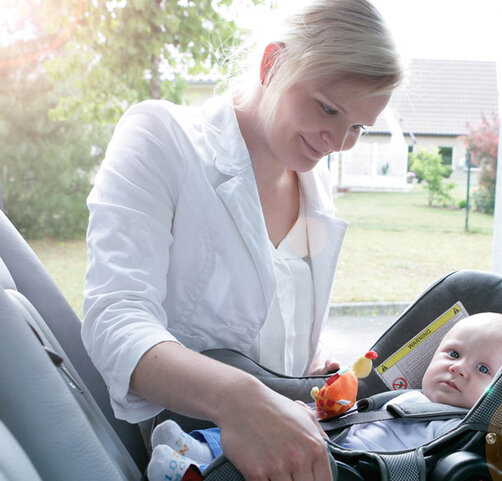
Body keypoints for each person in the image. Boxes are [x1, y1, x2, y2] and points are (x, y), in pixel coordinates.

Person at [80, 1, 403, 479]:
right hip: (194, 453)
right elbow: (115, 318)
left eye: (357, 126)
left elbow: (265, 319)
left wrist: (302, 372)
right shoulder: (161, 139)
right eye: (328, 108)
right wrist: (238, 400)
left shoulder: (317, 189)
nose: (337, 141)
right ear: (272, 63)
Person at [146, 313, 502, 480]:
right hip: (335, 435)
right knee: (267, 418)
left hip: (345, 466)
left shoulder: (457, 430)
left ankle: (192, 469)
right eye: (453, 354)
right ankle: (191, 445)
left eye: (483, 370)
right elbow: (364, 417)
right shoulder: (411, 397)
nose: (459, 368)